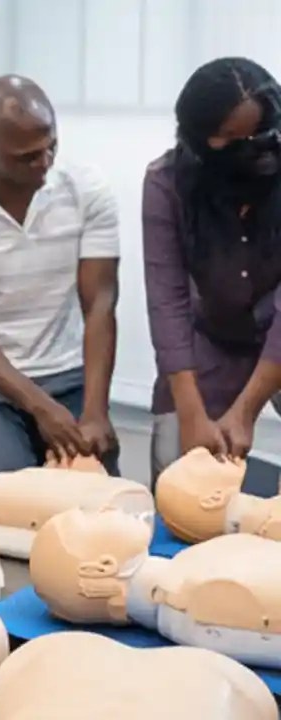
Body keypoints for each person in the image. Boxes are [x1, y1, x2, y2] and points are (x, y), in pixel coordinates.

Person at [0, 74, 121, 481]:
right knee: (6, 487)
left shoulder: (86, 190)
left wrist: (95, 412)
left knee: (96, 486)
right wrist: (39, 407)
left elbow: (101, 303)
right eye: (26, 156)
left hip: (67, 374)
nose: (43, 162)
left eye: (50, 147)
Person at [143, 57, 281, 490]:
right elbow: (166, 300)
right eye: (231, 141)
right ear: (199, 141)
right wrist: (191, 413)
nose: (251, 152)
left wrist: (245, 411)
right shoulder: (167, 183)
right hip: (212, 338)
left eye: (260, 138)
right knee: (177, 472)